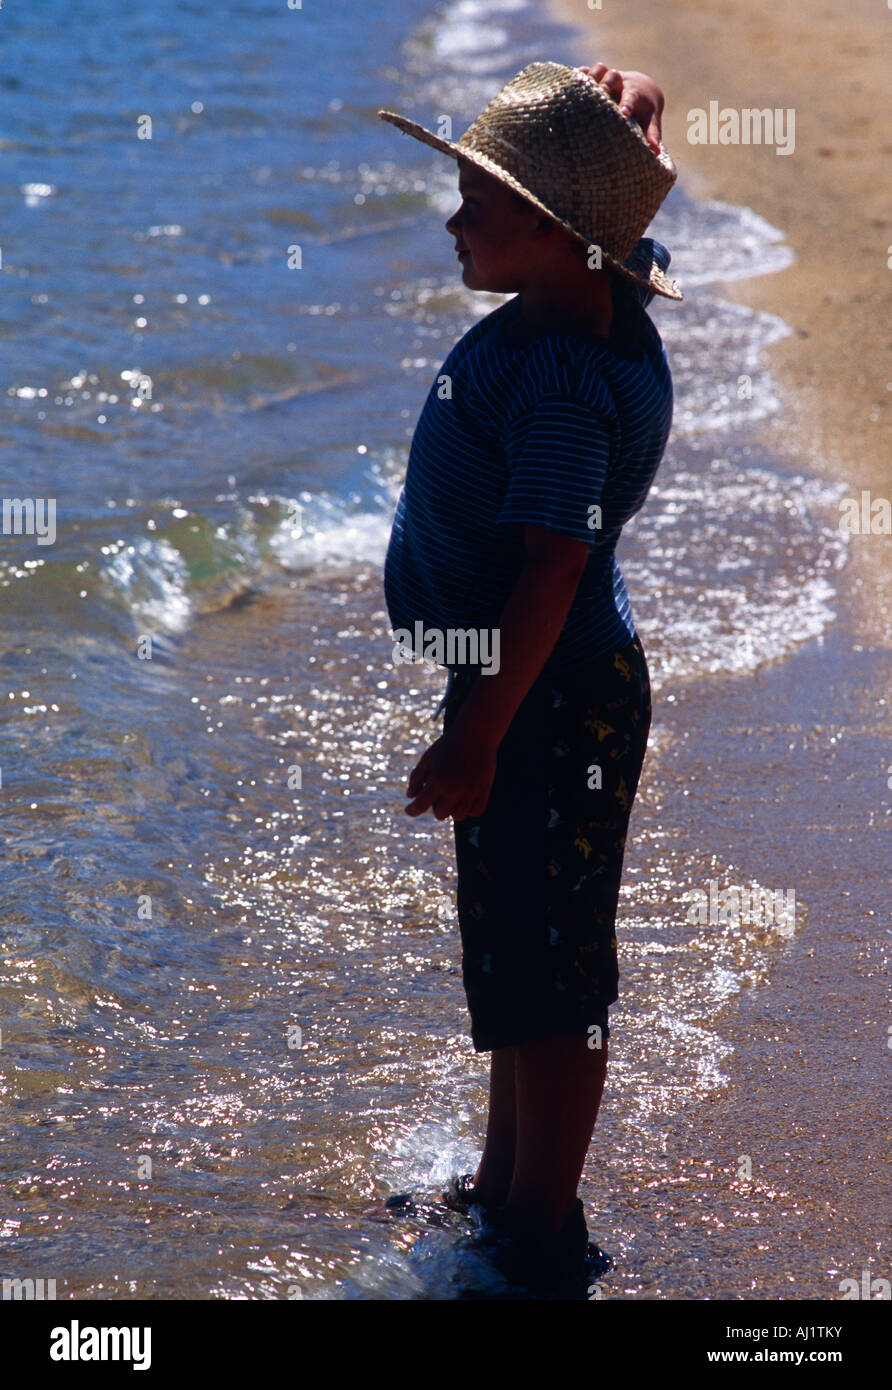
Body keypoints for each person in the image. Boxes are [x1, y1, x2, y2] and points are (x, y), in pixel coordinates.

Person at [378, 61, 682, 1294]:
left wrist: (479, 733)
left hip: (542, 692)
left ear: (558, 233)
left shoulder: (559, 375)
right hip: (533, 685)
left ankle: (542, 1231)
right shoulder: (593, 297)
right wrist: (634, 111)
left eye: (478, 201)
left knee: (551, 971)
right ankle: (508, 1186)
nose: (454, 221)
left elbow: (552, 571)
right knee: (516, 949)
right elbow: (625, 190)